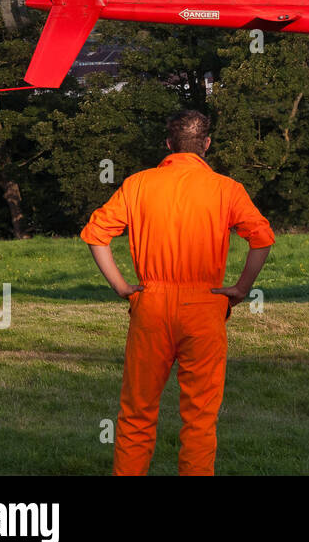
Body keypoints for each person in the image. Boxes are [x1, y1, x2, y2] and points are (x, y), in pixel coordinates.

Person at [82, 110, 275, 476]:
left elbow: (95, 235)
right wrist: (241, 288)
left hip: (150, 304)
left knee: (137, 412)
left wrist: (123, 287)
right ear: (206, 144)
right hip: (205, 304)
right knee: (200, 418)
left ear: (168, 145)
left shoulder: (138, 184)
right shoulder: (226, 188)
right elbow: (262, 240)